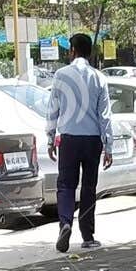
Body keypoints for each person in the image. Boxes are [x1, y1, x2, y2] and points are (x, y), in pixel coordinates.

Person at [45, 31, 112, 255]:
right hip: (92, 140)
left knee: (65, 185)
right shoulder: (99, 78)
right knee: (89, 188)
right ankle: (88, 236)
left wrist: (50, 137)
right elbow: (105, 115)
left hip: (69, 139)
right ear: (90, 52)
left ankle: (65, 223)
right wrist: (108, 145)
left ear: (72, 51)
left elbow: (53, 108)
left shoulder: (61, 75)